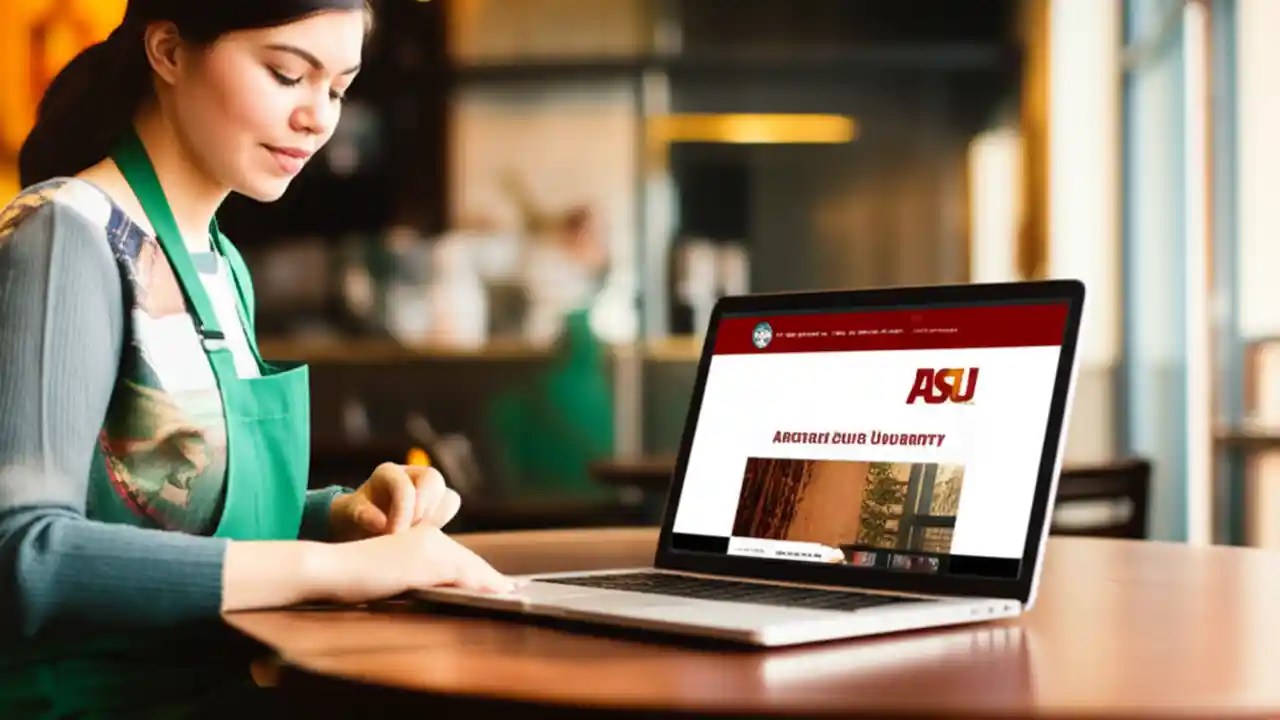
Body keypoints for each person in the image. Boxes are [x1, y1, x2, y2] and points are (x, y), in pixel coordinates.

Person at [0, 2, 514, 716]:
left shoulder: (219, 263)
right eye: (287, 75)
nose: (318, 118)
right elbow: (26, 554)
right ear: (169, 52)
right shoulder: (67, 233)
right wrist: (335, 569)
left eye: (338, 88)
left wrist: (340, 516)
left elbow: (167, 514)